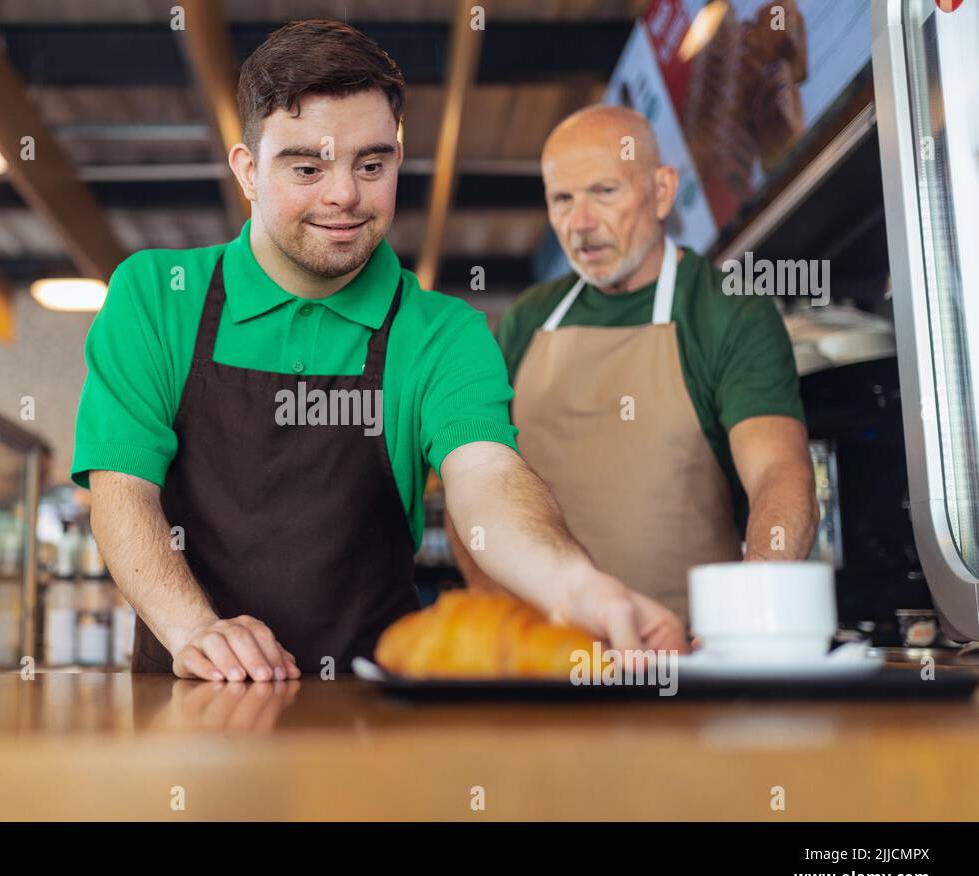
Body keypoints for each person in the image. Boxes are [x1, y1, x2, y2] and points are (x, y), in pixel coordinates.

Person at [71, 22, 687, 681]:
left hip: (372, 717)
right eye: (307, 167)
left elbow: (487, 478)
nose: (345, 195)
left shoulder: (440, 330)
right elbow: (123, 493)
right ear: (248, 172)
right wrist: (196, 631)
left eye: (372, 165)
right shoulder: (155, 296)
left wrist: (574, 586)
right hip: (185, 710)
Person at [448, 105, 817, 620]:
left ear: (662, 191)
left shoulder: (729, 312)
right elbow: (470, 476)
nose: (580, 224)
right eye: (562, 199)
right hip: (547, 658)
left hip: (686, 656)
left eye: (604, 191)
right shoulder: (528, 318)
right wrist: (497, 609)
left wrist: (749, 610)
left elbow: (780, 473)